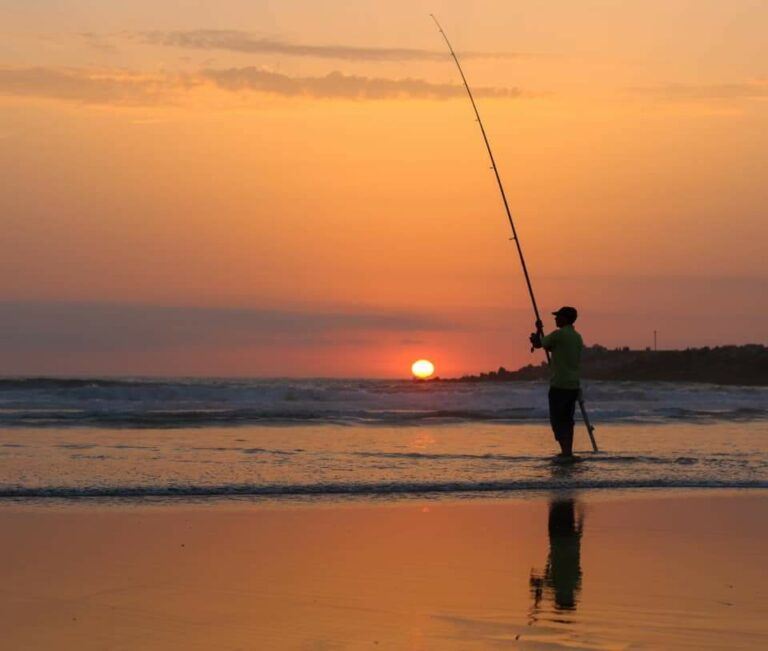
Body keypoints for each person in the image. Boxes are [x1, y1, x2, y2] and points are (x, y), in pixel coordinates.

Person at [529, 306, 583, 457]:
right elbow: (553, 347)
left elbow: (539, 344)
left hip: (559, 384)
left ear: (565, 318)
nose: (555, 319)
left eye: (558, 316)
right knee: (568, 420)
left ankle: (565, 452)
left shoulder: (559, 335)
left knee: (557, 421)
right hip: (573, 385)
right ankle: (568, 451)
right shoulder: (577, 337)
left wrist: (538, 330)